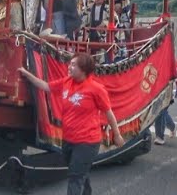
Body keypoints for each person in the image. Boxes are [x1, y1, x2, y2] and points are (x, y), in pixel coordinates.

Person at [18, 55, 123, 195]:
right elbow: (46, 86)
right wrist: (26, 74)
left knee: (75, 177)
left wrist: (117, 135)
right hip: (68, 139)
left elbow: (109, 113)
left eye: (74, 65)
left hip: (87, 142)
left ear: (83, 70)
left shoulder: (96, 89)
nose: (69, 67)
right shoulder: (67, 82)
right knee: (79, 172)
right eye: (70, 64)